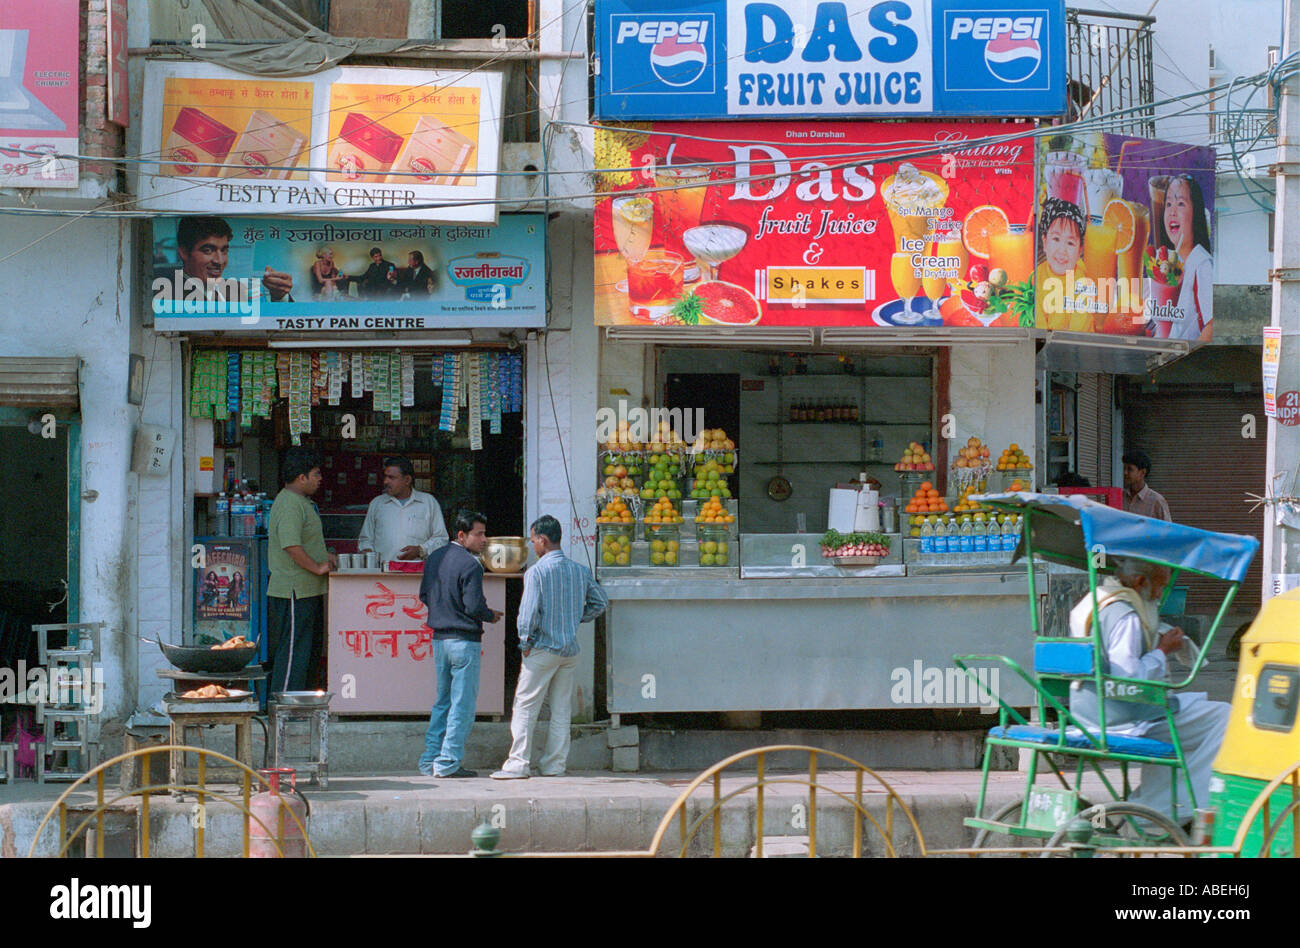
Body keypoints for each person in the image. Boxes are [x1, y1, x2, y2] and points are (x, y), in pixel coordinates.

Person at [1068, 558, 1228, 821]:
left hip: (1088, 712)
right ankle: (1165, 810)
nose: (1160, 595)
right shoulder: (1125, 616)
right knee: (1225, 718)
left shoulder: (1097, 601)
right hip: (1122, 717)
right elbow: (1129, 679)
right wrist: (1162, 651)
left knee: (1195, 723)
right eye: (1160, 587)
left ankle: (1152, 803)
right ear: (1141, 582)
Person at [492, 516, 608, 780]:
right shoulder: (580, 570)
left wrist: (525, 642)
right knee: (561, 710)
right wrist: (576, 617)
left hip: (543, 649)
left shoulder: (537, 572)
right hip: (569, 651)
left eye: (533, 541)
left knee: (525, 706)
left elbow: (527, 615)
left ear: (542, 540)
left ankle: (518, 763)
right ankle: (554, 765)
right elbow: (600, 603)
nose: (533, 546)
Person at [417, 511, 503, 778]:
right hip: (464, 642)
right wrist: (491, 615)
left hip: (440, 641)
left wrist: (443, 611)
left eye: (484, 533)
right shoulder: (471, 564)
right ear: (462, 535)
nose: (484, 539)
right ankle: (448, 763)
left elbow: (423, 594)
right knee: (462, 706)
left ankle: (429, 760)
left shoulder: (433, 558)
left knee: (443, 702)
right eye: (478, 534)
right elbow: (474, 606)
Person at [267, 447, 335, 693]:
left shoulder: (302, 502)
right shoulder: (289, 504)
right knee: (294, 651)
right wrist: (317, 567)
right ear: (301, 477)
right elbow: (291, 545)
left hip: (309, 590)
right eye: (316, 474)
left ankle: (302, 705)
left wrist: (326, 557)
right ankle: (283, 705)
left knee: (308, 651)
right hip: (293, 590)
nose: (320, 479)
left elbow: (304, 543)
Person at [1153, 174, 1213, 343]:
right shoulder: (1164, 259)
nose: (1172, 211)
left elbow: (1211, 325)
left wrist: (1187, 358)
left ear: (1196, 212)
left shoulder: (1202, 264)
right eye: (1168, 204)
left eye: (1180, 204)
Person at [176, 216, 293, 302]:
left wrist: (279, 296)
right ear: (184, 252)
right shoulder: (165, 293)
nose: (219, 261)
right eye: (208, 250)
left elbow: (267, 327)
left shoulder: (238, 289)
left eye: (224, 250)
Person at [357, 456, 449, 563]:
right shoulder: (377, 504)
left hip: (417, 573)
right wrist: (368, 552)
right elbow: (365, 539)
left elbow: (442, 539)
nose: (386, 481)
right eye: (385, 477)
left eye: (391, 478)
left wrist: (420, 550)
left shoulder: (428, 502)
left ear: (407, 480)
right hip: (384, 573)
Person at [1034, 198, 1097, 333]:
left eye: (1070, 243)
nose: (1062, 250)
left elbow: (1079, 330)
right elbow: (1037, 327)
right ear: (1044, 243)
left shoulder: (1084, 282)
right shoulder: (1035, 279)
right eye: (1056, 239)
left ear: (1079, 251)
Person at [1122, 450, 1171, 521]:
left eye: (1130, 469)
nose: (1125, 473)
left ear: (1142, 473)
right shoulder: (1120, 497)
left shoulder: (1156, 501)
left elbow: (1167, 529)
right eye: (1124, 468)